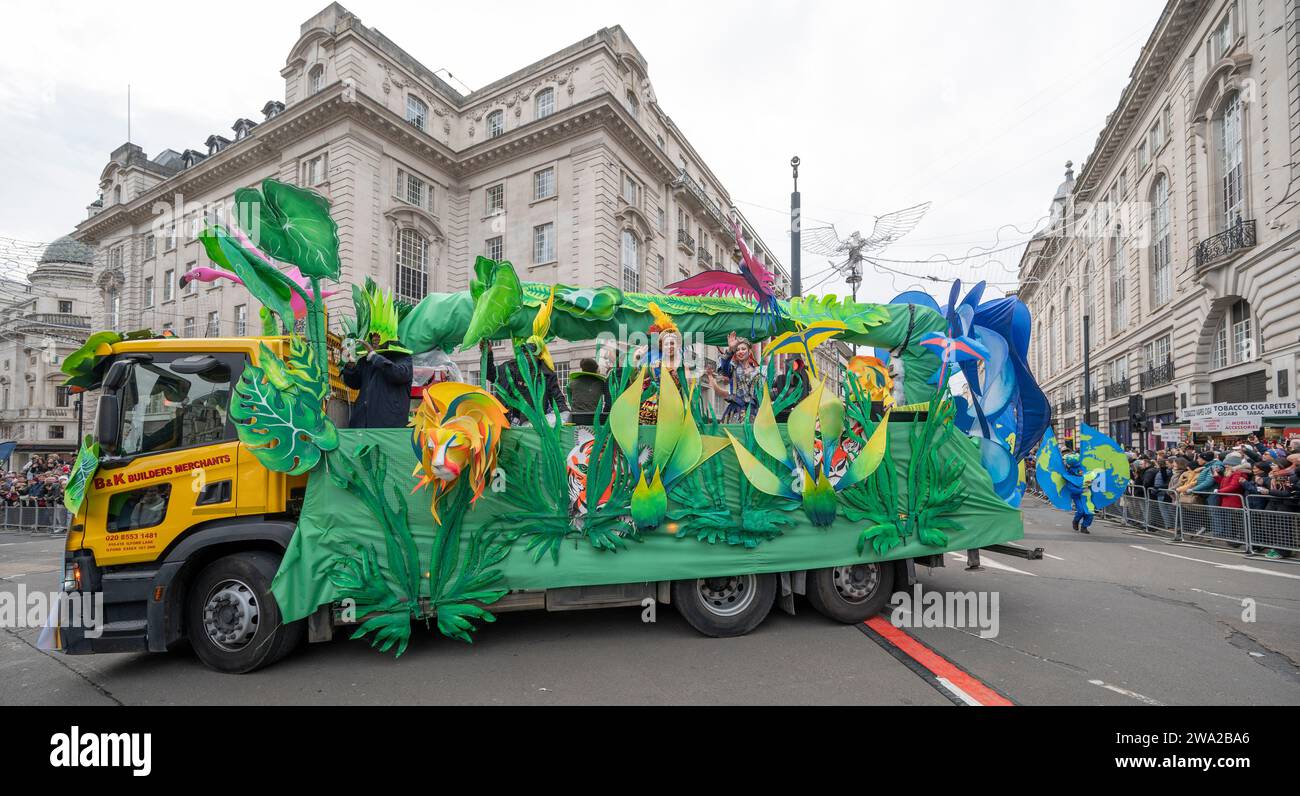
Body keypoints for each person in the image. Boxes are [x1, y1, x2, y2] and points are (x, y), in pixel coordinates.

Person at [341, 331, 415, 429]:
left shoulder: (402, 358)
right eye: (373, 336)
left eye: (380, 336)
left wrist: (375, 357)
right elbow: (354, 383)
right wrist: (350, 364)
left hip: (388, 426)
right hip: (362, 424)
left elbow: (400, 374)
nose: (375, 339)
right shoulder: (365, 360)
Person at [707, 333, 762, 422]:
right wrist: (730, 349)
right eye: (737, 350)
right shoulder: (733, 368)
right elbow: (724, 367)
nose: (740, 351)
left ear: (749, 351)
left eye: (743, 349)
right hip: (735, 411)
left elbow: (760, 395)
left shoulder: (758, 372)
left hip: (753, 412)